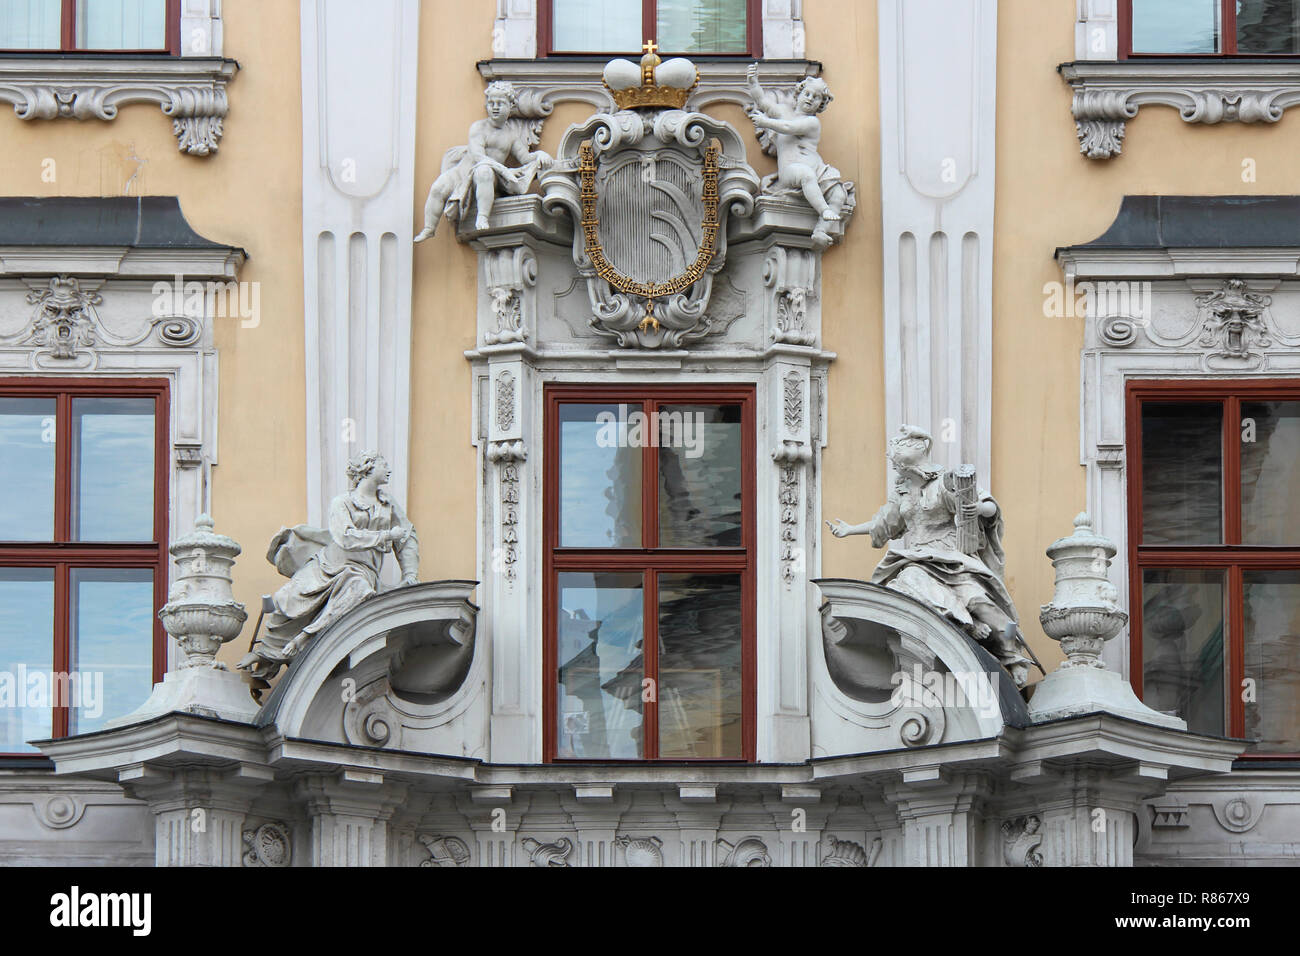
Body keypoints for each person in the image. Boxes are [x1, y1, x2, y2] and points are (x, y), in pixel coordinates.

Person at [827, 425, 1032, 686]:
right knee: (909, 581)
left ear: (907, 465)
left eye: (896, 463)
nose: (894, 468)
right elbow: (885, 524)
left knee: (984, 604)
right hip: (918, 558)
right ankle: (966, 626)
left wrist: (977, 508)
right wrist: (849, 530)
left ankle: (1014, 654)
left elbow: (991, 507)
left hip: (952, 559)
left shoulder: (945, 484)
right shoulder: (902, 492)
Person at [237, 451, 419, 691]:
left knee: (359, 590)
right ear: (367, 467)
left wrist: (410, 575)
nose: (388, 468)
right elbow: (344, 536)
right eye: (383, 463)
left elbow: (407, 538)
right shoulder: (342, 502)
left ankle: (304, 639)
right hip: (328, 564)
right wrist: (385, 535)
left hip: (361, 570)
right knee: (290, 598)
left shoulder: (388, 505)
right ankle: (267, 656)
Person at [414, 81, 552, 240]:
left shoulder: (511, 135)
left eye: (500, 103)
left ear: (511, 106)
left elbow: (525, 158)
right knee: (438, 188)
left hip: (488, 175)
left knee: (484, 172)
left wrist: (540, 154)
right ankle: (429, 228)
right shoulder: (478, 128)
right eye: (491, 103)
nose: (495, 107)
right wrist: (504, 170)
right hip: (463, 172)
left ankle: (483, 216)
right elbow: (478, 156)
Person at [746, 65, 848, 245]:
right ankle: (823, 209)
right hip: (791, 171)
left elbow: (788, 128)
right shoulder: (783, 112)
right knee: (805, 174)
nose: (810, 99)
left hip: (818, 170)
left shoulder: (812, 122)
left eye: (816, 98)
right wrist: (753, 82)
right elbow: (762, 101)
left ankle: (820, 230)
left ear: (821, 105)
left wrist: (765, 122)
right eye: (807, 94)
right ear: (798, 94)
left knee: (839, 194)